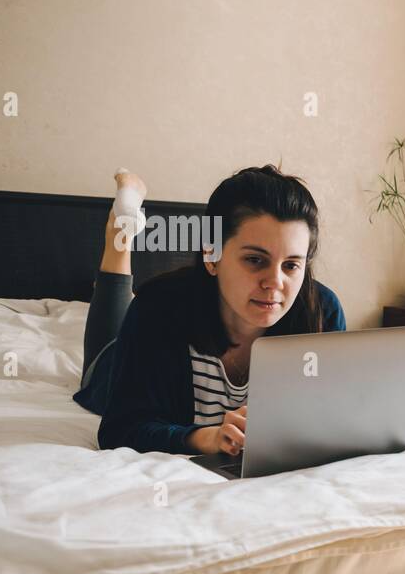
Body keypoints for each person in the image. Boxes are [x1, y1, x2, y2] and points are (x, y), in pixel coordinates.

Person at [73, 165, 346, 455]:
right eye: (255, 260)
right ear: (211, 255)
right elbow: (120, 429)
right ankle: (121, 230)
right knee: (105, 348)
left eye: (291, 265)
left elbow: (333, 418)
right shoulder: (157, 307)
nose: (275, 283)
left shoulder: (322, 312)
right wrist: (205, 438)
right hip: (110, 365)